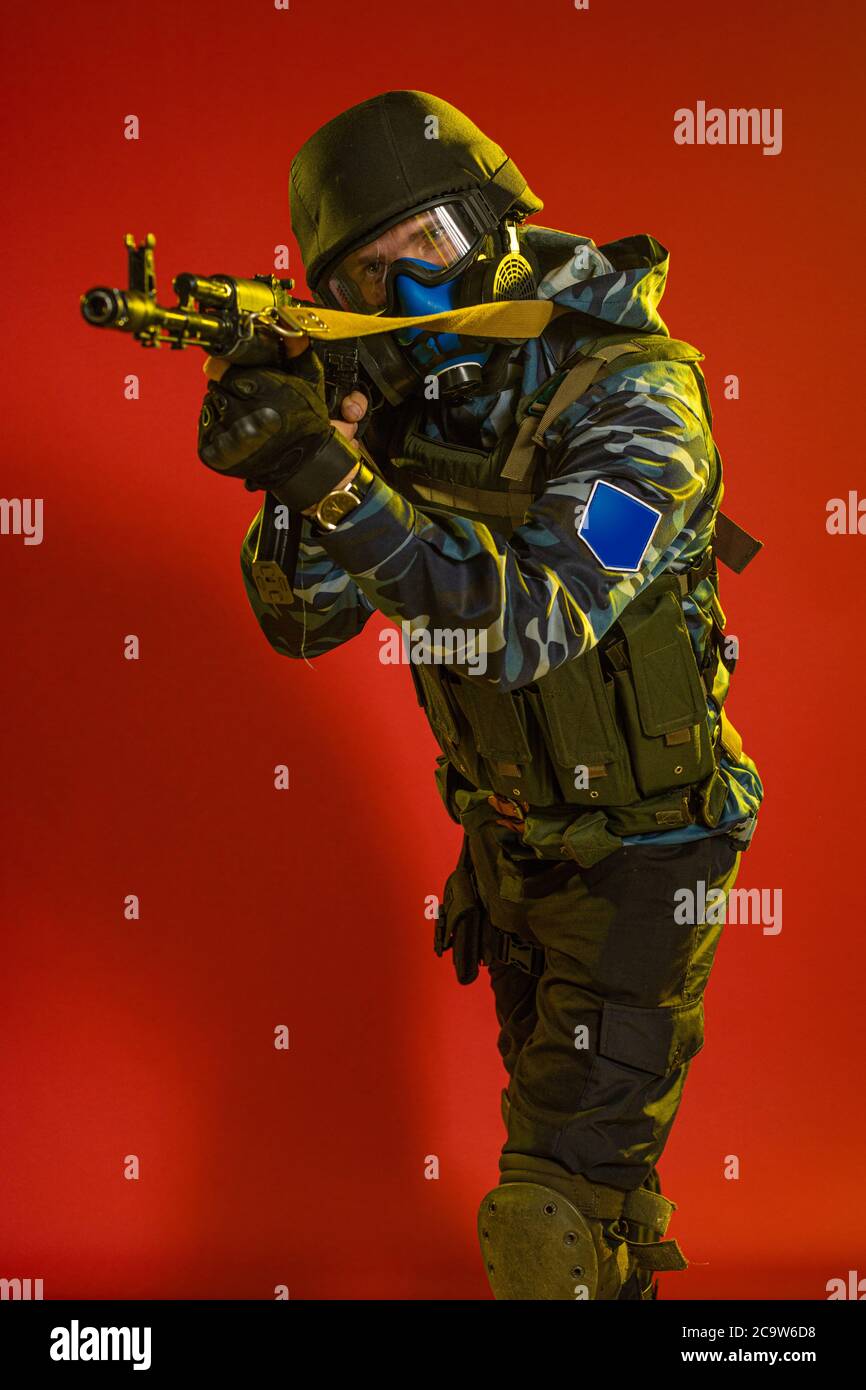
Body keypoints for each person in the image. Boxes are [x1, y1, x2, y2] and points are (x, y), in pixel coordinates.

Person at [196, 90, 764, 1301]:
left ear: (499, 223)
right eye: (366, 277)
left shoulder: (636, 395)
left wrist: (329, 478)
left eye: (433, 250)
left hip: (645, 854)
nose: (410, 299)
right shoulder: (399, 400)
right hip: (510, 850)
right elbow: (302, 622)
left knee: (551, 1220)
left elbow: (526, 630)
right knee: (582, 1201)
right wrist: (295, 471)